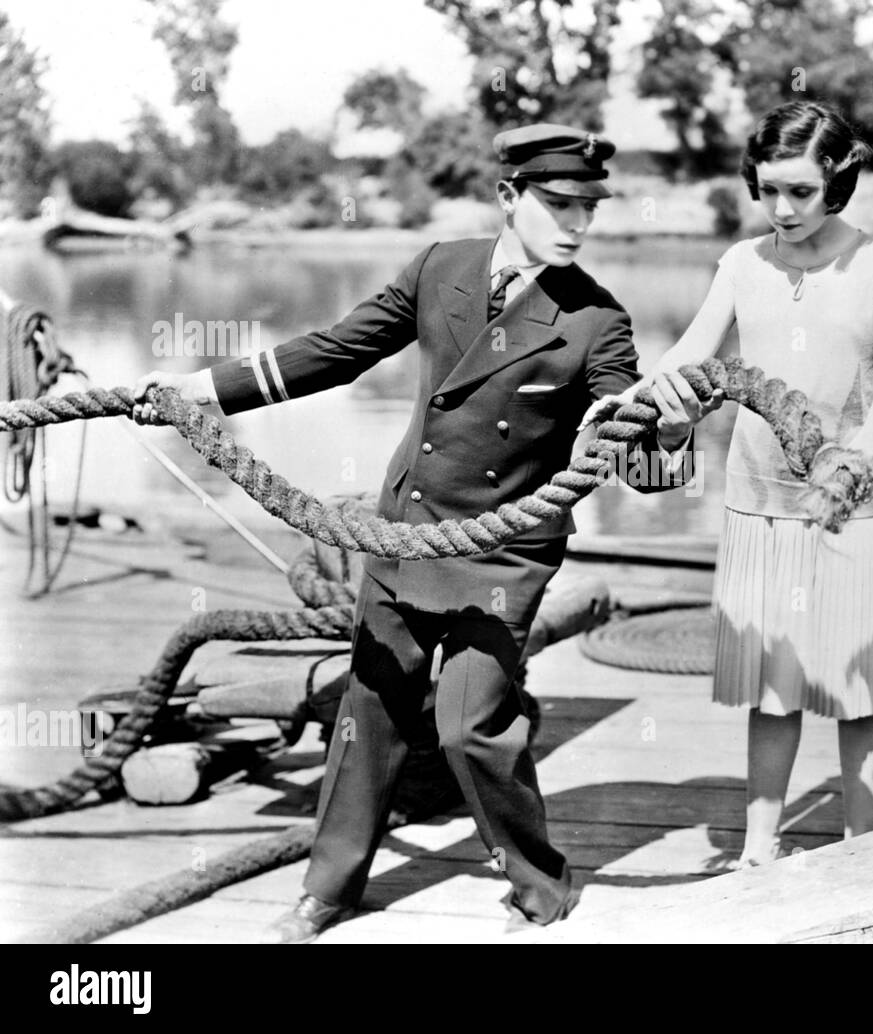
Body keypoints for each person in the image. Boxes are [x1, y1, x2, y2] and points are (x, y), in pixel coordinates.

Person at [132, 124, 713, 940]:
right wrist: (196, 389)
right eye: (558, 203)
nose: (577, 222)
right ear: (509, 198)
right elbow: (337, 351)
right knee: (368, 713)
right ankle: (328, 890)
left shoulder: (597, 323)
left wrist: (675, 436)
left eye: (588, 207)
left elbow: (635, 462)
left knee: (471, 725)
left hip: (505, 555)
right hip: (407, 532)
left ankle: (542, 886)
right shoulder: (442, 266)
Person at [585, 101, 873, 865]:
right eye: (768, 189)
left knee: (855, 688)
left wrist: (849, 463)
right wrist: (629, 399)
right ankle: (759, 850)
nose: (782, 208)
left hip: (849, 502)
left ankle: (858, 849)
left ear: (837, 178)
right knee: (776, 687)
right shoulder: (741, 263)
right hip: (757, 499)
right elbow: (692, 353)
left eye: (800, 191)